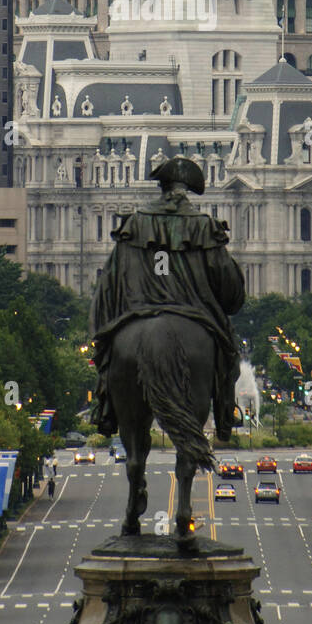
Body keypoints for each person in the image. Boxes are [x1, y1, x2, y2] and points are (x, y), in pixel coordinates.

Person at [90, 155, 245, 440]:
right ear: (186, 191)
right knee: (229, 356)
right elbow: (229, 287)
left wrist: (102, 331)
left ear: (161, 189)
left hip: (137, 312)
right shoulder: (204, 226)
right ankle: (226, 414)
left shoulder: (134, 224)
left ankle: (105, 409)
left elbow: (109, 283)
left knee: (111, 355)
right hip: (194, 313)